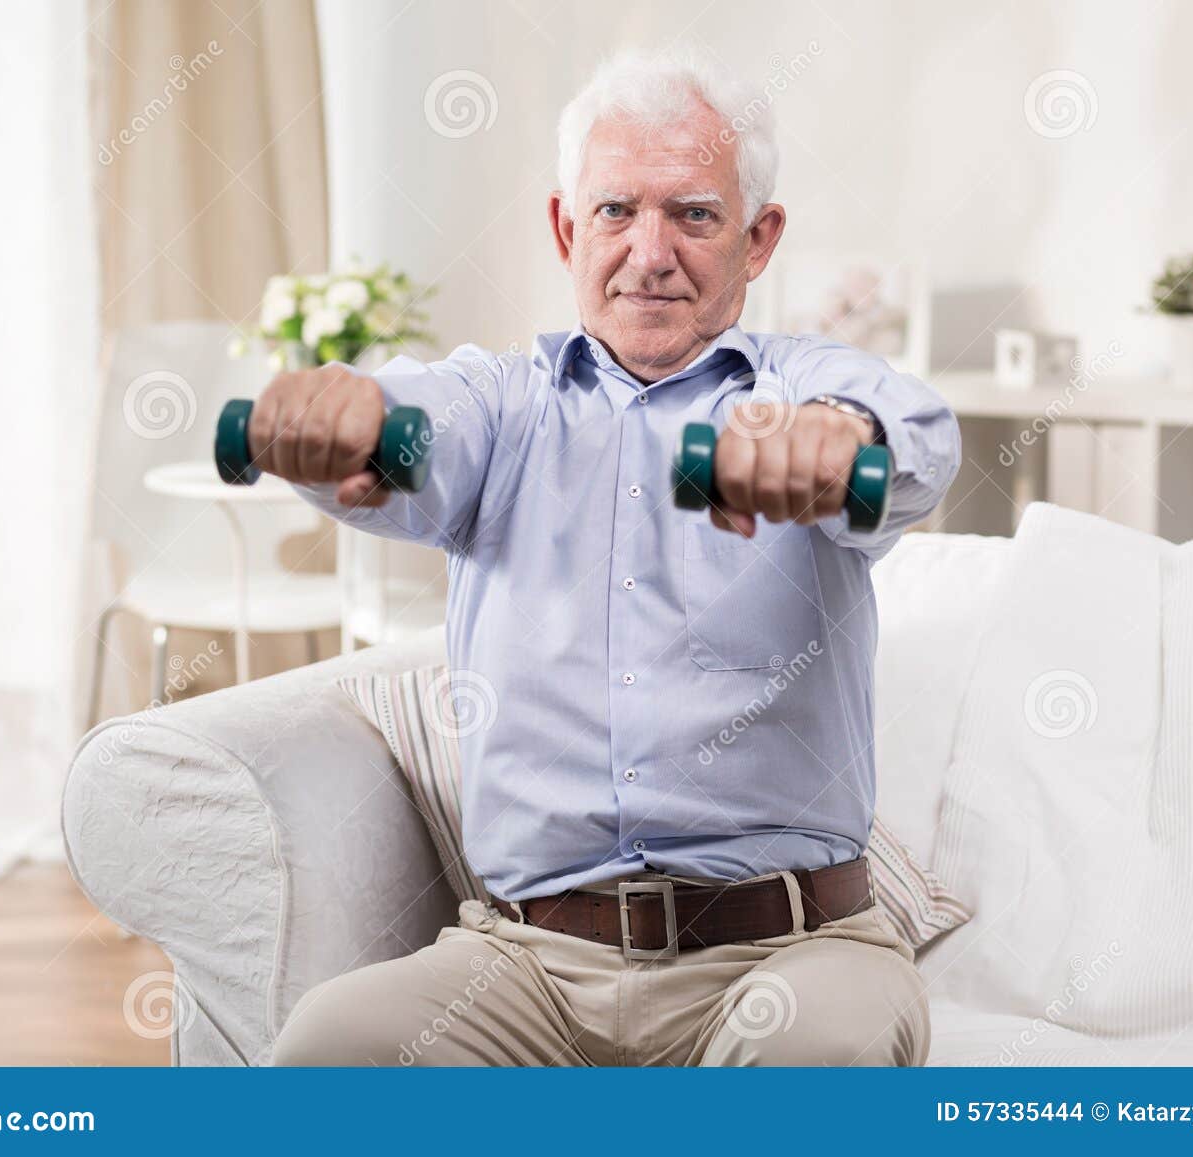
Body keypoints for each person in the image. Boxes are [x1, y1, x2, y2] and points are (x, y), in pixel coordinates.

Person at [262, 48, 960, 1066]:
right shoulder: (500, 405)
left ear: (757, 238)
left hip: (787, 955)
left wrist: (838, 439)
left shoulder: (803, 383)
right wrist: (350, 424)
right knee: (329, 1050)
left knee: (816, 1057)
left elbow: (915, 438)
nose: (650, 251)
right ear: (564, 227)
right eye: (615, 212)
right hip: (529, 962)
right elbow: (413, 429)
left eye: (694, 214)